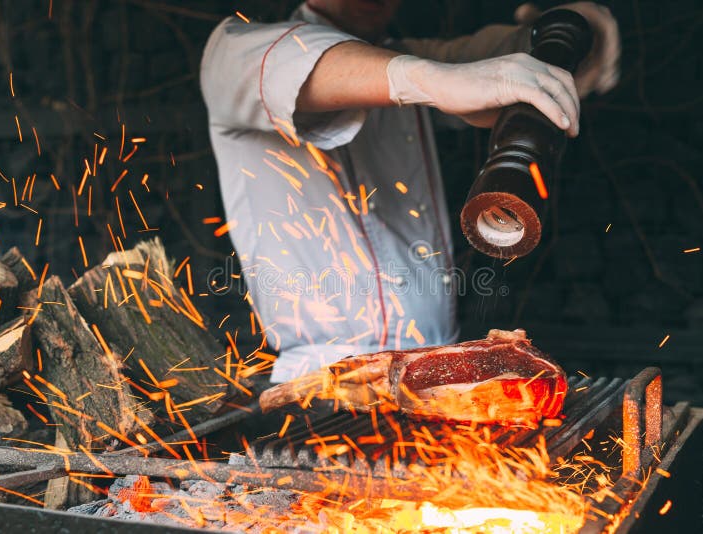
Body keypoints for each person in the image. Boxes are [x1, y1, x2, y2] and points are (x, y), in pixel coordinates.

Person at [200, 1, 619, 383]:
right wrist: (432, 80)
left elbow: (492, 55)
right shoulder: (235, 50)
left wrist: (574, 29)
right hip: (326, 385)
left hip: (439, 372)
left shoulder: (409, 54)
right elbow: (302, 64)